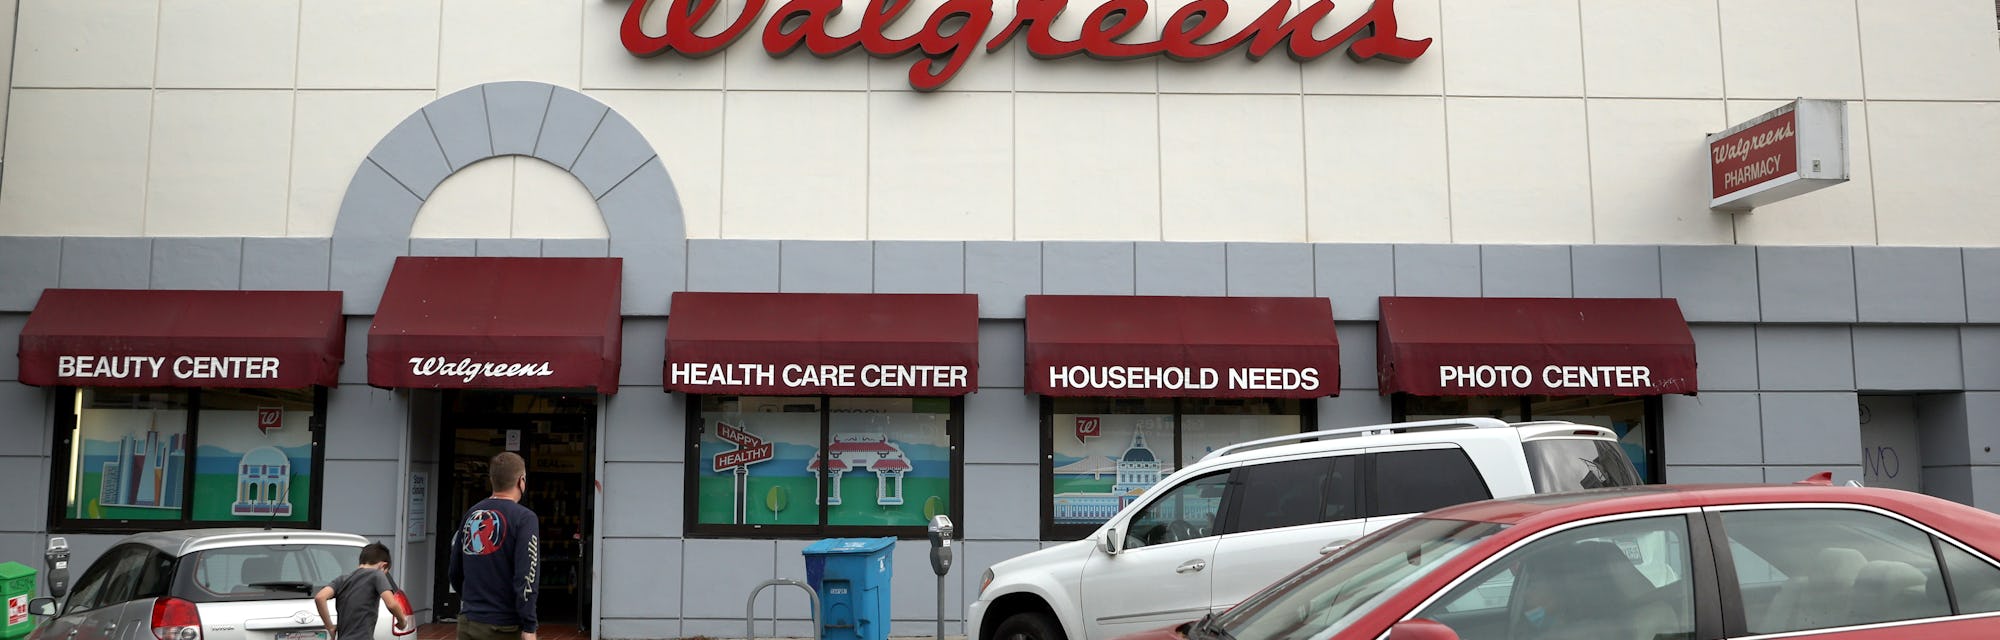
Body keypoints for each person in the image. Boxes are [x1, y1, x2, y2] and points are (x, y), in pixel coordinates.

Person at [449, 452, 541, 640]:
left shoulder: (472, 513)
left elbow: (455, 570)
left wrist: (471, 601)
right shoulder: (525, 518)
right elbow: (527, 576)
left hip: (469, 622)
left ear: (492, 479)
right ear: (521, 481)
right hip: (504, 626)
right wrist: (529, 624)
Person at [314, 542, 412, 640]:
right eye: (386, 572)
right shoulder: (377, 575)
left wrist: (330, 627)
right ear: (383, 566)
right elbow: (391, 604)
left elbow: (320, 597)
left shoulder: (341, 579)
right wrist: (402, 621)